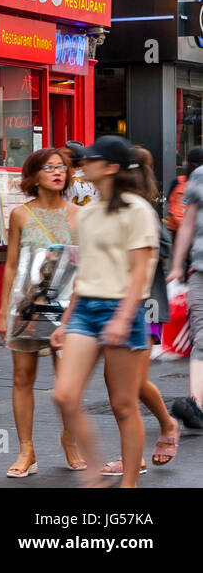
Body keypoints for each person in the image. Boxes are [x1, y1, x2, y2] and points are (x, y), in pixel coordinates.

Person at [51, 136, 159, 488]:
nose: (82, 165)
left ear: (111, 167)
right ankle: (95, 470)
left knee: (124, 405)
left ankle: (129, 483)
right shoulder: (88, 213)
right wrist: (65, 321)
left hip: (121, 308)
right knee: (64, 395)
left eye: (90, 159)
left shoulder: (137, 210)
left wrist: (122, 318)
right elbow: (85, 272)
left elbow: (140, 271)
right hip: (86, 309)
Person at [0, 148, 86, 477]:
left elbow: (86, 265)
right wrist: (4, 309)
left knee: (68, 382)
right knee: (22, 378)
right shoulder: (20, 215)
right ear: (33, 177)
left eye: (62, 168)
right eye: (49, 168)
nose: (58, 173)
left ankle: (70, 440)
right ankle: (26, 450)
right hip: (28, 305)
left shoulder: (79, 214)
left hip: (68, 307)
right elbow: (10, 266)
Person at [99, 146, 177, 474]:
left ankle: (163, 430)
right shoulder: (115, 208)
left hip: (146, 305)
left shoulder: (141, 209)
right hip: (121, 304)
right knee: (121, 384)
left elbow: (162, 252)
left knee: (129, 384)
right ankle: (144, 447)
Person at [168, 145, 203, 431]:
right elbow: (188, 225)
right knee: (200, 335)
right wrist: (178, 265)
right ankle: (196, 405)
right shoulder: (200, 177)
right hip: (200, 271)